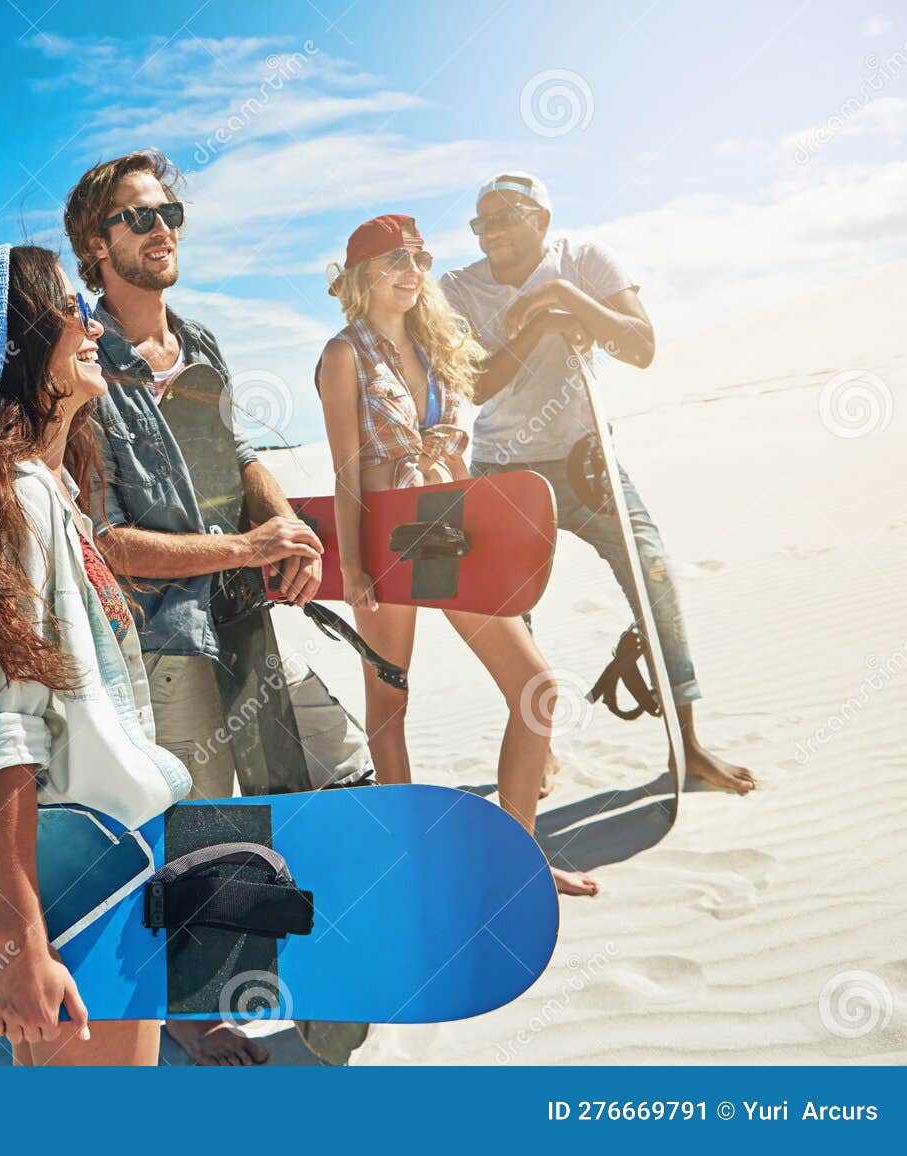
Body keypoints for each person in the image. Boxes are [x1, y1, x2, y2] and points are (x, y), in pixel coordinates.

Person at [63, 149, 375, 1066]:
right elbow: (105, 540)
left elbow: (238, 453)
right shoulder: (81, 364)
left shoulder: (197, 344)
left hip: (243, 617)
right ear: (96, 241)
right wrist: (246, 547)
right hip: (158, 638)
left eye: (170, 214)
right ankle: (192, 1012)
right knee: (197, 829)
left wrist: (279, 517)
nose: (163, 229)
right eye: (140, 217)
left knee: (340, 761)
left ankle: (324, 981)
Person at [0, 243, 192, 1066]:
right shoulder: (14, 501)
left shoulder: (50, 494)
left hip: (108, 859)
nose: (90, 320)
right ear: (17, 348)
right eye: (69, 307)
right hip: (73, 881)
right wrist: (21, 944)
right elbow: (3, 734)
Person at [439, 172, 756, 796]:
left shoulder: (583, 260)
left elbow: (640, 346)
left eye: (508, 216)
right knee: (512, 610)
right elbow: (473, 387)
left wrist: (565, 297)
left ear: (544, 221)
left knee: (654, 575)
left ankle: (686, 746)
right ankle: (539, 749)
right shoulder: (456, 289)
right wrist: (542, 327)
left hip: (591, 462)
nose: (493, 232)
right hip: (504, 467)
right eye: (482, 222)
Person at [315, 213, 598, 898]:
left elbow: (464, 433)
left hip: (447, 530)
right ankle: (405, 869)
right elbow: (348, 471)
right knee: (389, 709)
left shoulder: (439, 344)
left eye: (419, 257)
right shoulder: (343, 354)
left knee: (536, 688)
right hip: (386, 540)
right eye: (395, 260)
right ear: (363, 276)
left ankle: (518, 858)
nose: (412, 271)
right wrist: (353, 568)